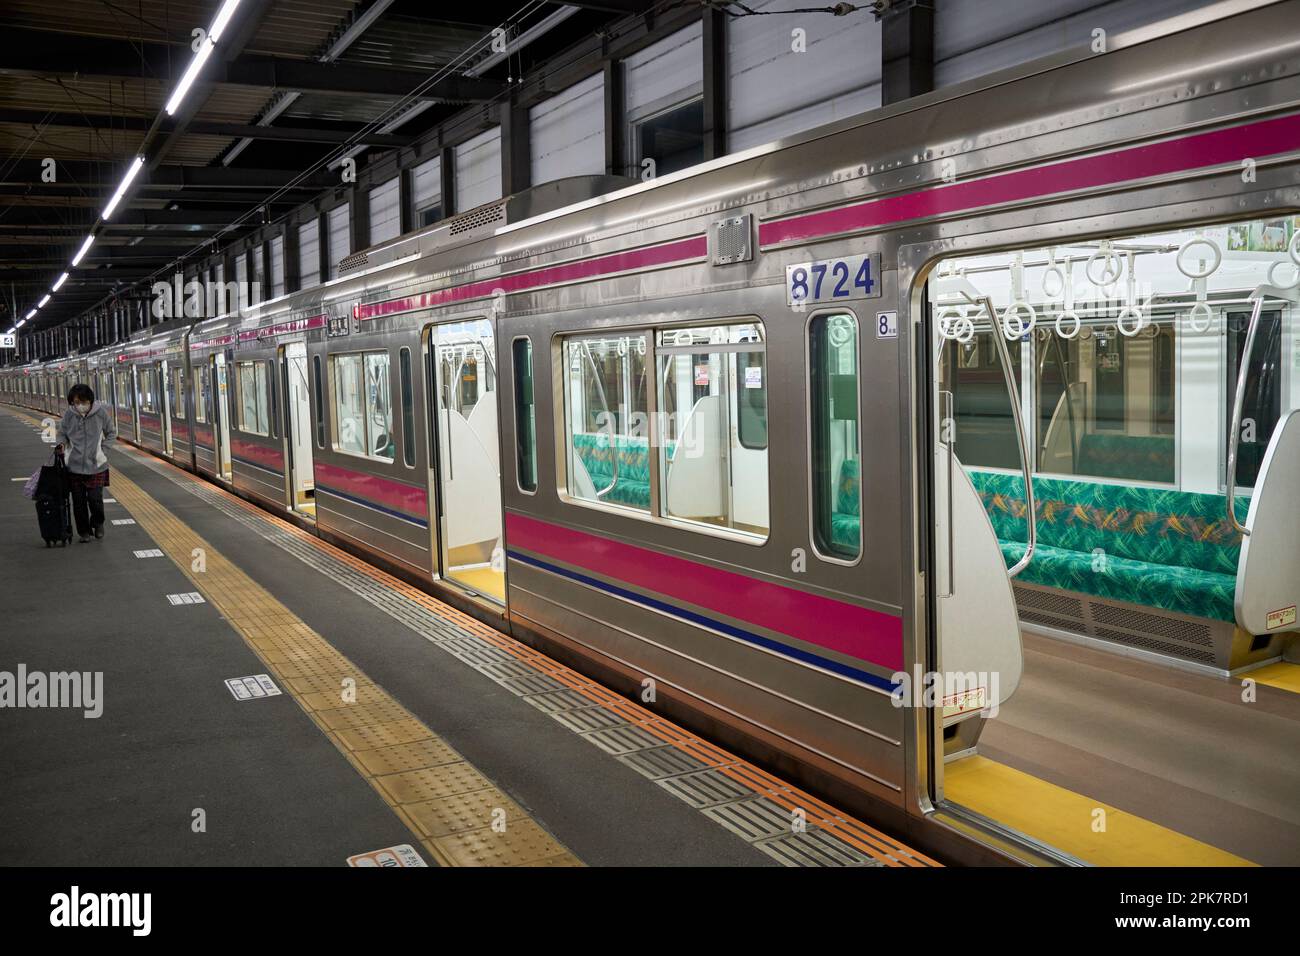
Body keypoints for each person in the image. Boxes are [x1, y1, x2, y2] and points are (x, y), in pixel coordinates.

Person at [55, 384, 116, 543]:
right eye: (76, 402)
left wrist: (103, 450)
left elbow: (111, 433)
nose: (80, 405)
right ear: (72, 403)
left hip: (97, 466)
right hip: (74, 467)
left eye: (83, 401)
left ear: (90, 400)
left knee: (95, 500)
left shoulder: (100, 413)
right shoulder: (69, 415)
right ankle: (84, 532)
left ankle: (98, 523)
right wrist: (61, 445)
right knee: (79, 503)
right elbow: (61, 433)